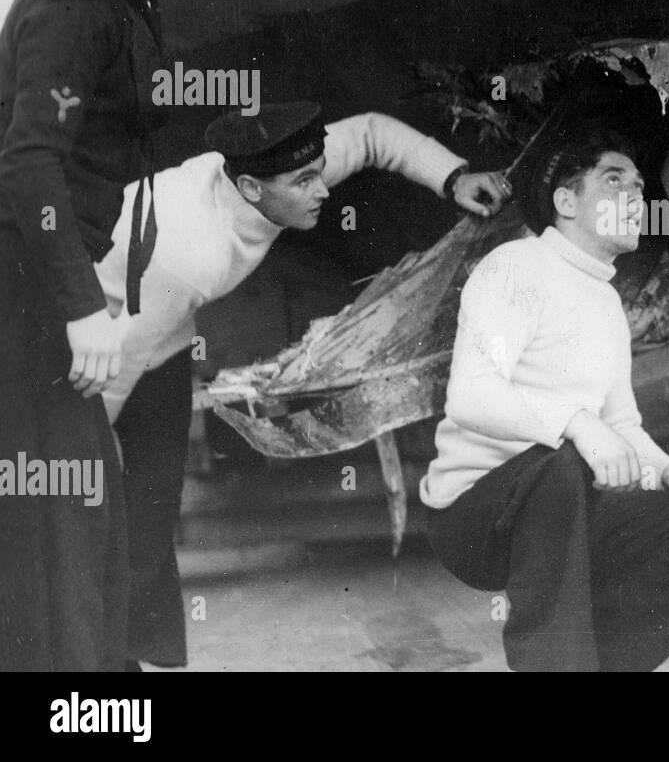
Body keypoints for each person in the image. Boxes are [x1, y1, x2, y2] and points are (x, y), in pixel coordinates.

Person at [0, 0, 373, 671]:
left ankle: (99, 688)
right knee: (65, 518)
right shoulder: (75, 13)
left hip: (44, 280)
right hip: (28, 294)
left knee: (85, 514)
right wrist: (81, 311)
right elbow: (26, 164)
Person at [96, 101, 510, 669]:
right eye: (304, 182)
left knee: (151, 503)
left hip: (154, 334)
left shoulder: (278, 171)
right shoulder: (193, 254)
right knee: (98, 494)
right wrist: (89, 447)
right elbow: (117, 363)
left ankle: (138, 656)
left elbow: (369, 134)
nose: (323, 191)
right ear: (249, 187)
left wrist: (455, 176)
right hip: (81, 332)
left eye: (319, 172)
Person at [419, 130, 669, 671]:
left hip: (562, 500)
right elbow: (469, 397)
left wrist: (666, 471)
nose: (634, 197)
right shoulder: (515, 267)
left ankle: (604, 662)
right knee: (568, 460)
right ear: (566, 202)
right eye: (612, 181)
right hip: (475, 514)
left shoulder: (605, 302)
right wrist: (576, 422)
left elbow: (622, 424)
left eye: (639, 187)